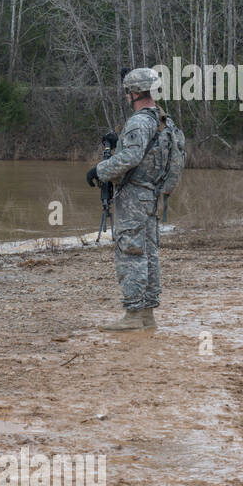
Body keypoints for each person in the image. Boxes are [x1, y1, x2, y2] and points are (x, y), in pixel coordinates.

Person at [86, 66, 175, 330]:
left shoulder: (138, 121)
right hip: (151, 195)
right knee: (148, 252)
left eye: (127, 91)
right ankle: (147, 314)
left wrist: (99, 171)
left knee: (131, 252)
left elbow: (131, 157)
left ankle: (134, 315)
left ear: (134, 93)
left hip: (134, 196)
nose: (126, 96)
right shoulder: (162, 120)